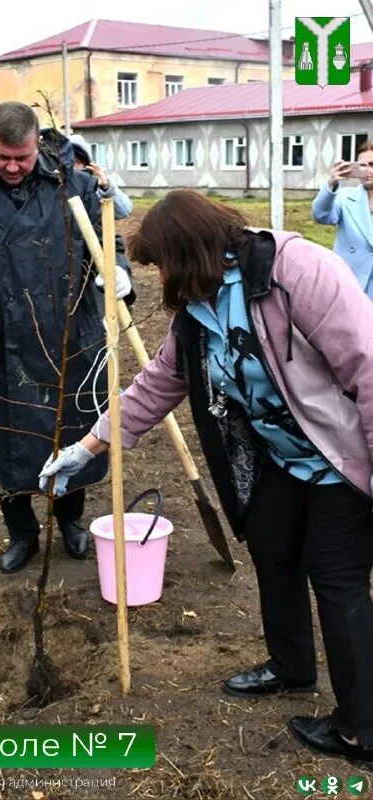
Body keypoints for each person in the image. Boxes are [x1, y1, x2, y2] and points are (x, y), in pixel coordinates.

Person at [39, 189, 373, 767]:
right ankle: (292, 668)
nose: (161, 276)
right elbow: (161, 382)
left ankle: (361, 729)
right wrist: (88, 446)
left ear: (190, 251)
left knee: (338, 580)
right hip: (280, 457)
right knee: (271, 549)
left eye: (163, 263)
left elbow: (367, 367)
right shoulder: (200, 305)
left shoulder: (297, 271)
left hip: (341, 457)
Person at [0, 101, 134, 575]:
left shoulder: (73, 186)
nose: (14, 167)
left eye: (21, 156)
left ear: (36, 143)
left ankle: (71, 521)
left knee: (73, 433)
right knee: (5, 439)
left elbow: (107, 244)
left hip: (67, 335)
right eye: (3, 157)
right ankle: (21, 533)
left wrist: (117, 273)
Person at [312, 139, 373, 298]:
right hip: (352, 283)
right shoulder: (345, 197)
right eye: (362, 165)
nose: (367, 171)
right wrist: (331, 183)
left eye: (372, 164)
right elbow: (321, 216)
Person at [67, 133, 132, 219]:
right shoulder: (53, 187)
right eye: (69, 162)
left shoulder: (93, 188)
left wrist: (106, 188)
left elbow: (123, 211)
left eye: (78, 162)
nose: (74, 167)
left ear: (87, 164)